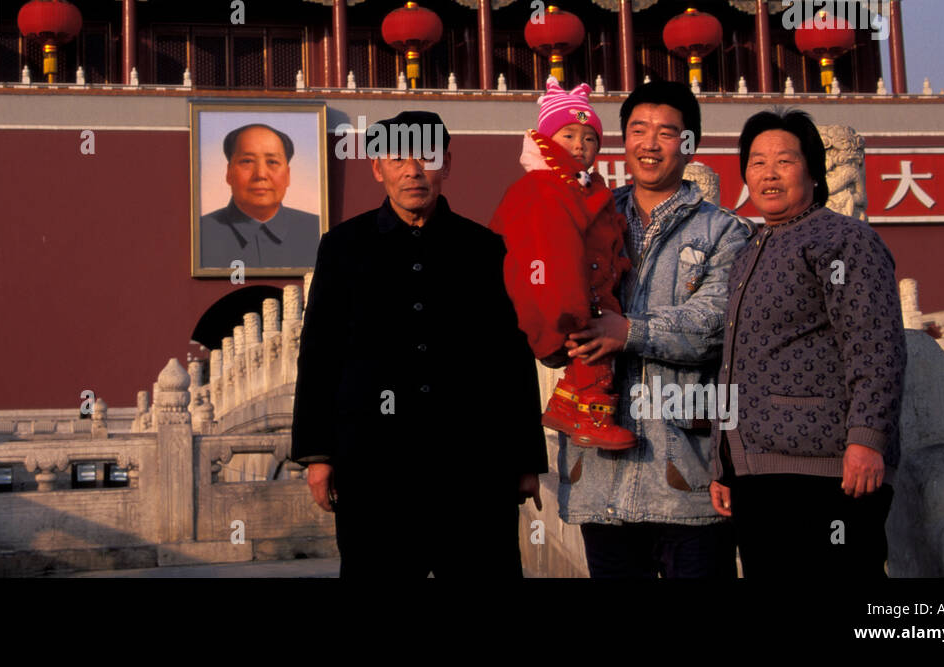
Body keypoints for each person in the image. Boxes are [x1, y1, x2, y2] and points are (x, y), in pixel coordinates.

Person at [290, 110, 548, 577]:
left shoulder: (485, 249)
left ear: (445, 163)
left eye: (425, 156)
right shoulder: (344, 248)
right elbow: (320, 354)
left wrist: (526, 458)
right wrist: (317, 455)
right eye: (398, 157)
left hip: (474, 467)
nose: (413, 170)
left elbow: (512, 359)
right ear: (377, 167)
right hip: (373, 466)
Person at [558, 80, 750, 578]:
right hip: (598, 474)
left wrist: (630, 331)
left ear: (689, 145)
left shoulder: (725, 231)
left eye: (666, 132)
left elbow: (715, 324)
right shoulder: (586, 214)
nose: (649, 143)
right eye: (638, 130)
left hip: (689, 475)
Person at [709, 108, 905, 578]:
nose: (768, 174)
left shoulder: (845, 240)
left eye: (785, 161)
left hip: (831, 474)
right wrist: (725, 459)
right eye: (756, 162)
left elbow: (876, 344)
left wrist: (866, 440)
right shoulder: (747, 251)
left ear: (814, 172)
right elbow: (735, 363)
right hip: (758, 477)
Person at [490, 79, 635, 450]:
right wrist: (568, 316)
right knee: (594, 355)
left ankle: (567, 406)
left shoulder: (579, 184)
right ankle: (590, 417)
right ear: (548, 138)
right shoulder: (545, 187)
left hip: (591, 288)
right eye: (568, 134)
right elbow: (551, 256)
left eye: (589, 139)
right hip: (575, 298)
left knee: (591, 363)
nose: (580, 146)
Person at [199, 122, 320, 269]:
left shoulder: (317, 230)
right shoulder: (200, 233)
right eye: (247, 161)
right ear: (229, 172)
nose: (261, 174)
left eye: (272, 162)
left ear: (287, 175)